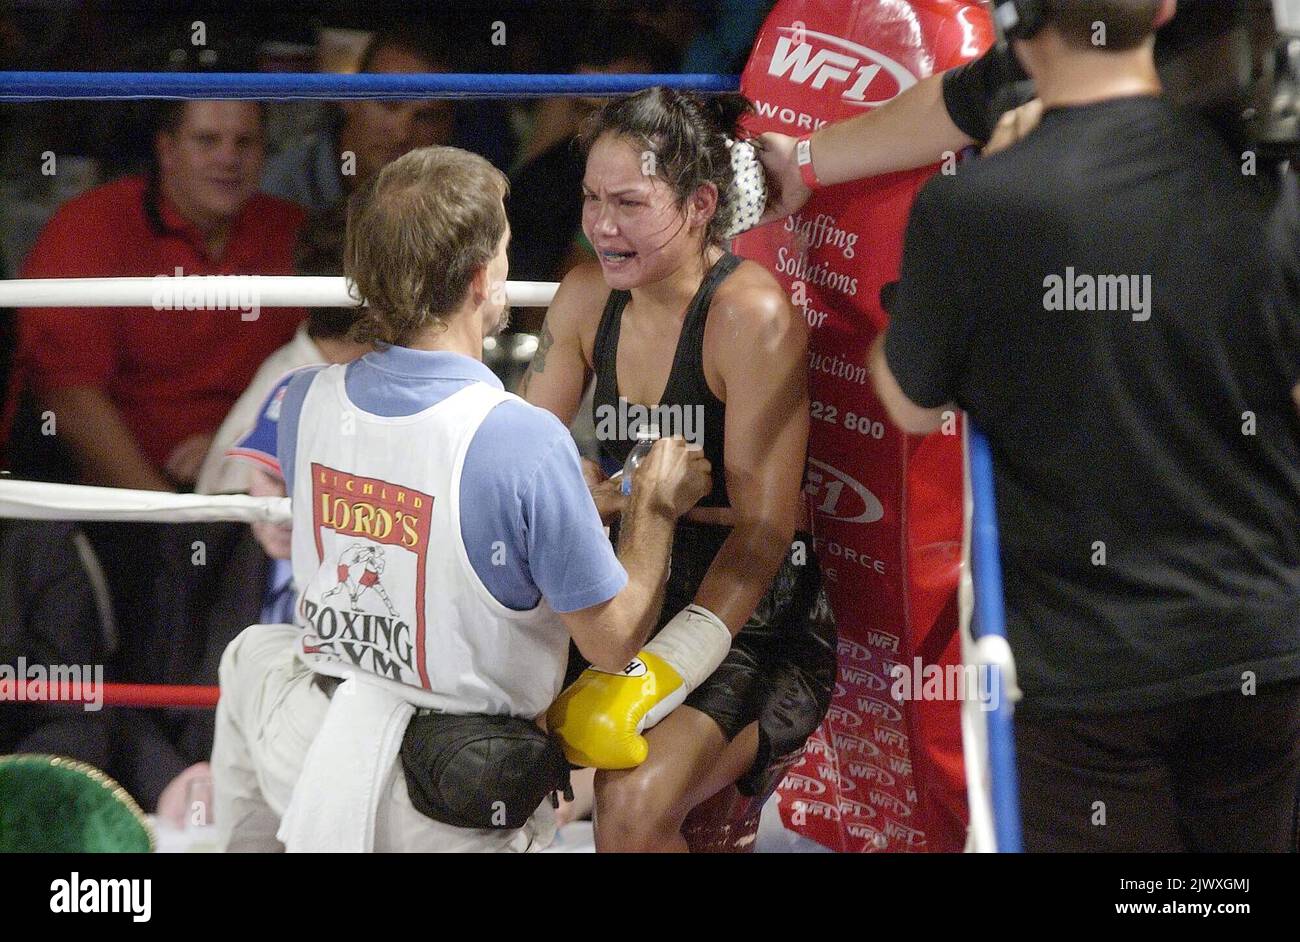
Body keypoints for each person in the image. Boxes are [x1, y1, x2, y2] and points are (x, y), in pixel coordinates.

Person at [851, 0, 1300, 851]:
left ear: (1017, 26)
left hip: (1091, 670)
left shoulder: (976, 209)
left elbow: (911, 400)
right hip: (1259, 647)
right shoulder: (1263, 180)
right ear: (1162, 11)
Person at [211, 144, 713, 852]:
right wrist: (654, 510)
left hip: (310, 748)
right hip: (445, 799)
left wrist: (553, 514)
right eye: (506, 250)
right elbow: (613, 639)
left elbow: (404, 508)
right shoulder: (523, 442)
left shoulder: (299, 398)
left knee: (255, 656)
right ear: (484, 278)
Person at [519, 87, 837, 852]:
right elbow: (520, 456)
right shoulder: (585, 297)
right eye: (593, 198)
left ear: (699, 204)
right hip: (628, 577)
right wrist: (596, 493)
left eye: (629, 202)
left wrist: (665, 666)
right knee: (487, 753)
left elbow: (762, 532)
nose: (601, 225)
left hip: (751, 615)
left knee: (630, 815)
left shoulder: (750, 318)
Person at [15, 100, 304, 491]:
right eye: (207, 140)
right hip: (117, 503)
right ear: (166, 150)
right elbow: (67, 396)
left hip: (257, 485)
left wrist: (237, 441)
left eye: (245, 142)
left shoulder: (294, 231)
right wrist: (168, 513)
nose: (228, 158)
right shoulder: (91, 227)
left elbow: (331, 371)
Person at [261, 31, 456, 214]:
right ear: (350, 96)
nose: (402, 134)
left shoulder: (455, 201)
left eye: (426, 117)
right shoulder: (277, 189)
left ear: (447, 127)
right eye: (389, 104)